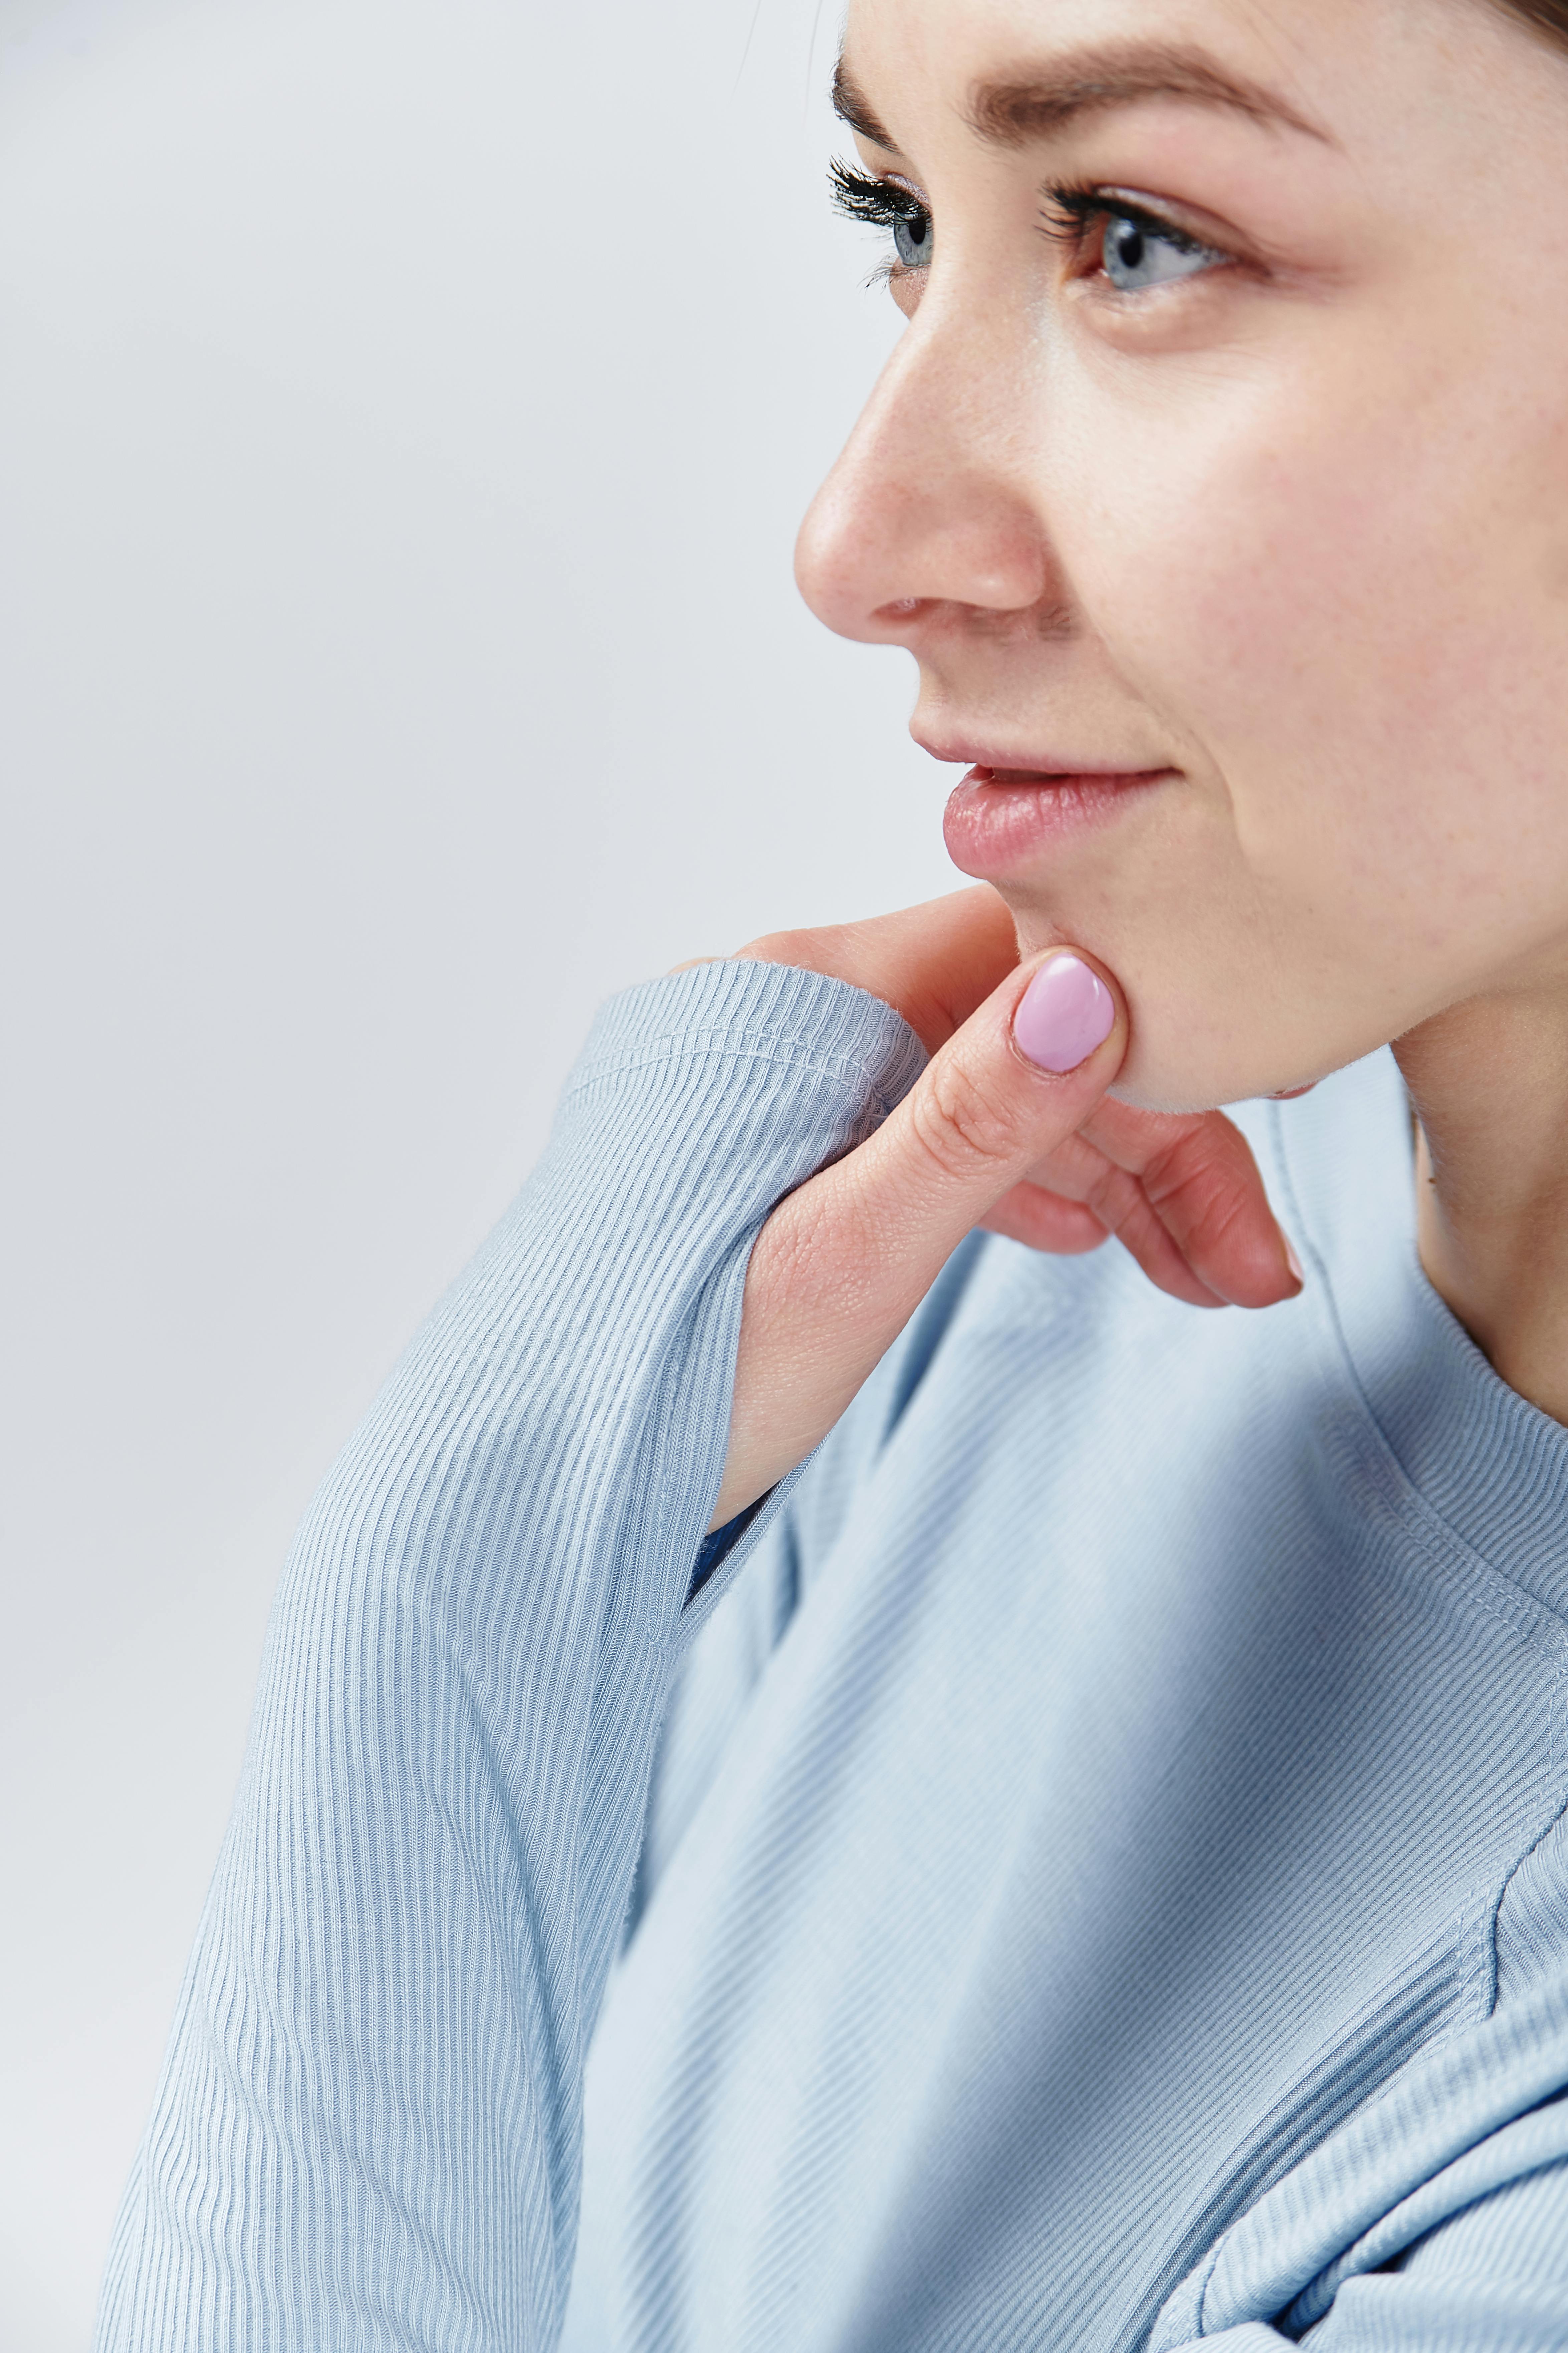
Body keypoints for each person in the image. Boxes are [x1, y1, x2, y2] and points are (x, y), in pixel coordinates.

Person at [94, 0, 1568, 2344]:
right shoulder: (1029, 1256)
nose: (856, 541)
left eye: (1139, 235)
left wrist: (449, 1596)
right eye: (901, 219)